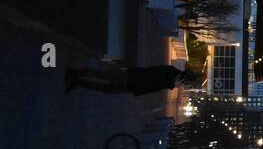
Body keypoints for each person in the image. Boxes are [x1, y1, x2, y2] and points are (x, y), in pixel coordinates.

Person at [65, 63, 201, 95]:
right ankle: (75, 73)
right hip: (131, 77)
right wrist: (172, 83)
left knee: (105, 89)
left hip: (133, 86)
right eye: (187, 83)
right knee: (101, 75)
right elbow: (151, 76)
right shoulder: (170, 71)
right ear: (184, 77)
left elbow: (153, 88)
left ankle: (79, 83)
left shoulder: (173, 81)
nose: (186, 86)